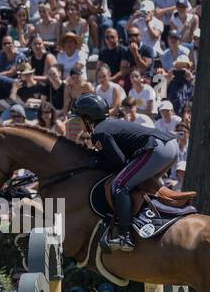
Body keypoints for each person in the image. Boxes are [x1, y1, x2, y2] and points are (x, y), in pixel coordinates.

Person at [71, 92, 178, 252]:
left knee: (119, 185)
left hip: (156, 148)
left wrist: (94, 161)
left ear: (88, 118)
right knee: (138, 183)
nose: (79, 124)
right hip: (168, 146)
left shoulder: (99, 132)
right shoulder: (107, 125)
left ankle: (125, 236)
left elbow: (118, 162)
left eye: (79, 119)